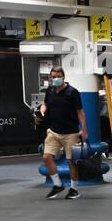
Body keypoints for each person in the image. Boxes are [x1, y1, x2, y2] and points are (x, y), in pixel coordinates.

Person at [38, 66, 87, 200]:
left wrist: (84, 129)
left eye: (58, 76)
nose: (55, 79)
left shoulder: (73, 92)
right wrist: (42, 110)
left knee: (71, 161)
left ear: (63, 77)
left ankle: (74, 189)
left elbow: (80, 112)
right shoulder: (50, 91)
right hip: (53, 132)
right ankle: (58, 185)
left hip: (70, 133)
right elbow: (45, 104)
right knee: (46, 157)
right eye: (53, 77)